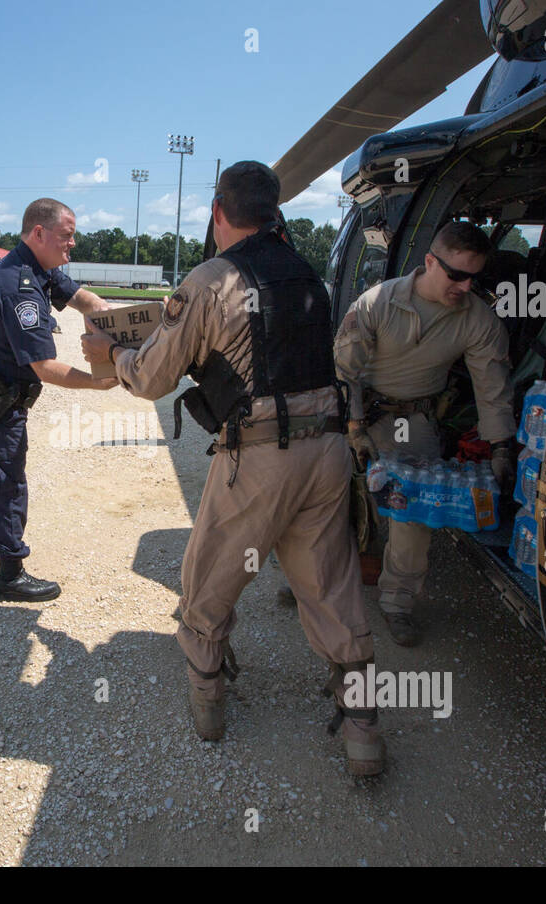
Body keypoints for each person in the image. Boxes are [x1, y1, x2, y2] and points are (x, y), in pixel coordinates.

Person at [81, 161, 383, 776]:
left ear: (218, 211)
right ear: (273, 212)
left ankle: (210, 701)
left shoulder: (211, 278)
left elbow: (154, 376)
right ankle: (363, 733)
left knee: (211, 575)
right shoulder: (307, 272)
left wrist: (110, 352)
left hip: (262, 457)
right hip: (326, 453)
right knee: (328, 581)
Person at [335, 220, 516, 647]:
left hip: (410, 420)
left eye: (475, 277)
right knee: (325, 498)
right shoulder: (377, 302)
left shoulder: (479, 320)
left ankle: (397, 603)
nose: (466, 287)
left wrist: (501, 449)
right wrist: (355, 427)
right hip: (355, 411)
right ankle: (312, 578)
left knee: (412, 508)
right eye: (456, 275)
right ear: (430, 262)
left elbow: (493, 389)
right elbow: (345, 371)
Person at [0, 198, 113, 601]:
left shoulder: (36, 267)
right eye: (67, 236)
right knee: (3, 479)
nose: (73, 244)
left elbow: (86, 299)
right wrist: (98, 384)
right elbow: (45, 366)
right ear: (39, 234)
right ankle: (10, 573)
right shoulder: (20, 287)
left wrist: (116, 322)